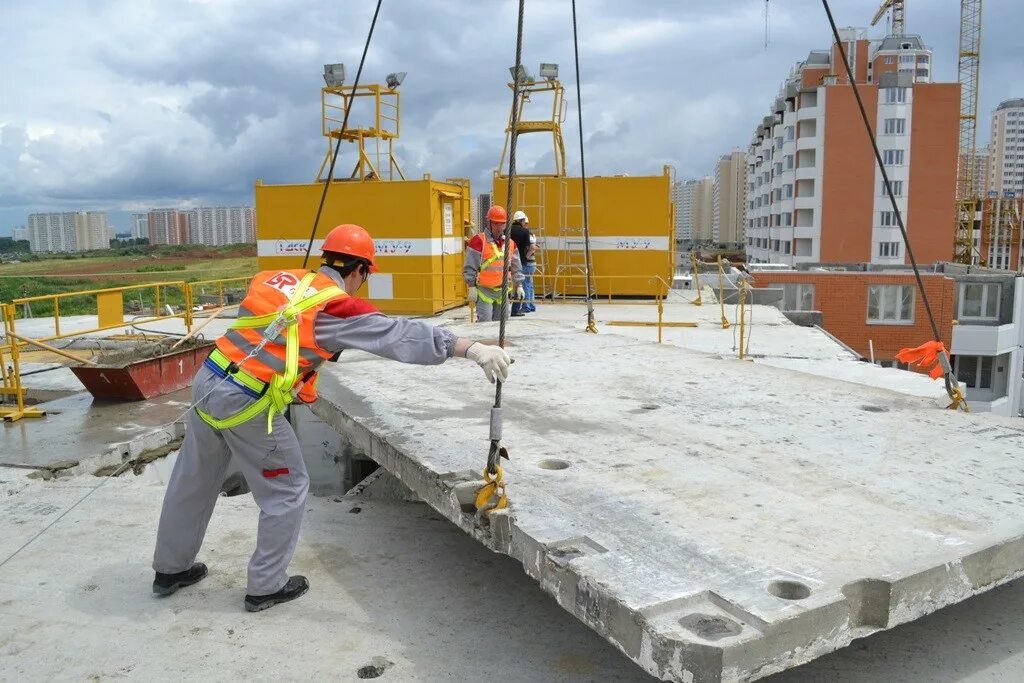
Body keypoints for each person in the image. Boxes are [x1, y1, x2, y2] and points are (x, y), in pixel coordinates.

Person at [152, 223, 512, 612]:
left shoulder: (277, 279)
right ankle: (265, 586)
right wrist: (470, 348)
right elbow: (398, 335)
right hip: (247, 403)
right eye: (365, 276)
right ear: (359, 270)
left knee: (193, 478)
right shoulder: (337, 307)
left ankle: (170, 570)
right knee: (287, 490)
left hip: (208, 381)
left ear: (327, 258)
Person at [463, 205, 524, 322]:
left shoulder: (510, 243)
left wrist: (519, 285)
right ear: (489, 222)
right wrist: (471, 286)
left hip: (503, 291)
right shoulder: (479, 241)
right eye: (496, 223)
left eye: (502, 224)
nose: (499, 227)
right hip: (484, 290)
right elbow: (470, 266)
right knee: (485, 325)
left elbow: (516, 266)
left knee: (502, 324)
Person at [509, 210, 537, 315]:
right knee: (522, 285)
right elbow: (528, 247)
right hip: (522, 262)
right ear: (522, 221)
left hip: (509, 261)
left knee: (517, 285)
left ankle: (525, 306)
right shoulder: (525, 232)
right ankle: (520, 308)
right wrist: (525, 257)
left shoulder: (507, 230)